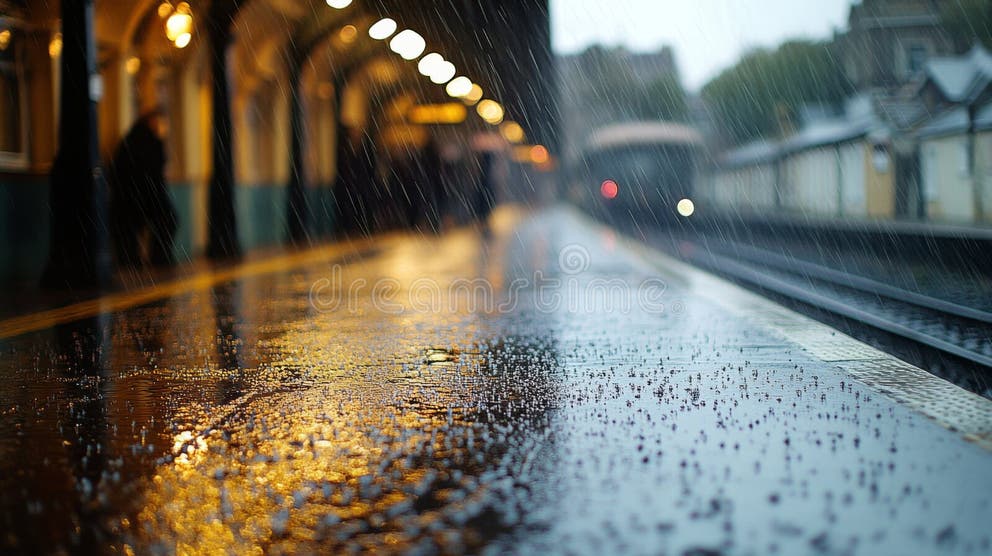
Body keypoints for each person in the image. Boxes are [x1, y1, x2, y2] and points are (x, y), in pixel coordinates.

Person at [107, 109, 176, 267]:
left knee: (128, 230)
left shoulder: (129, 141)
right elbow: (156, 170)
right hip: (144, 197)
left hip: (128, 198)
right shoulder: (150, 142)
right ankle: (158, 258)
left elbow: (117, 171)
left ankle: (132, 261)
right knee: (168, 220)